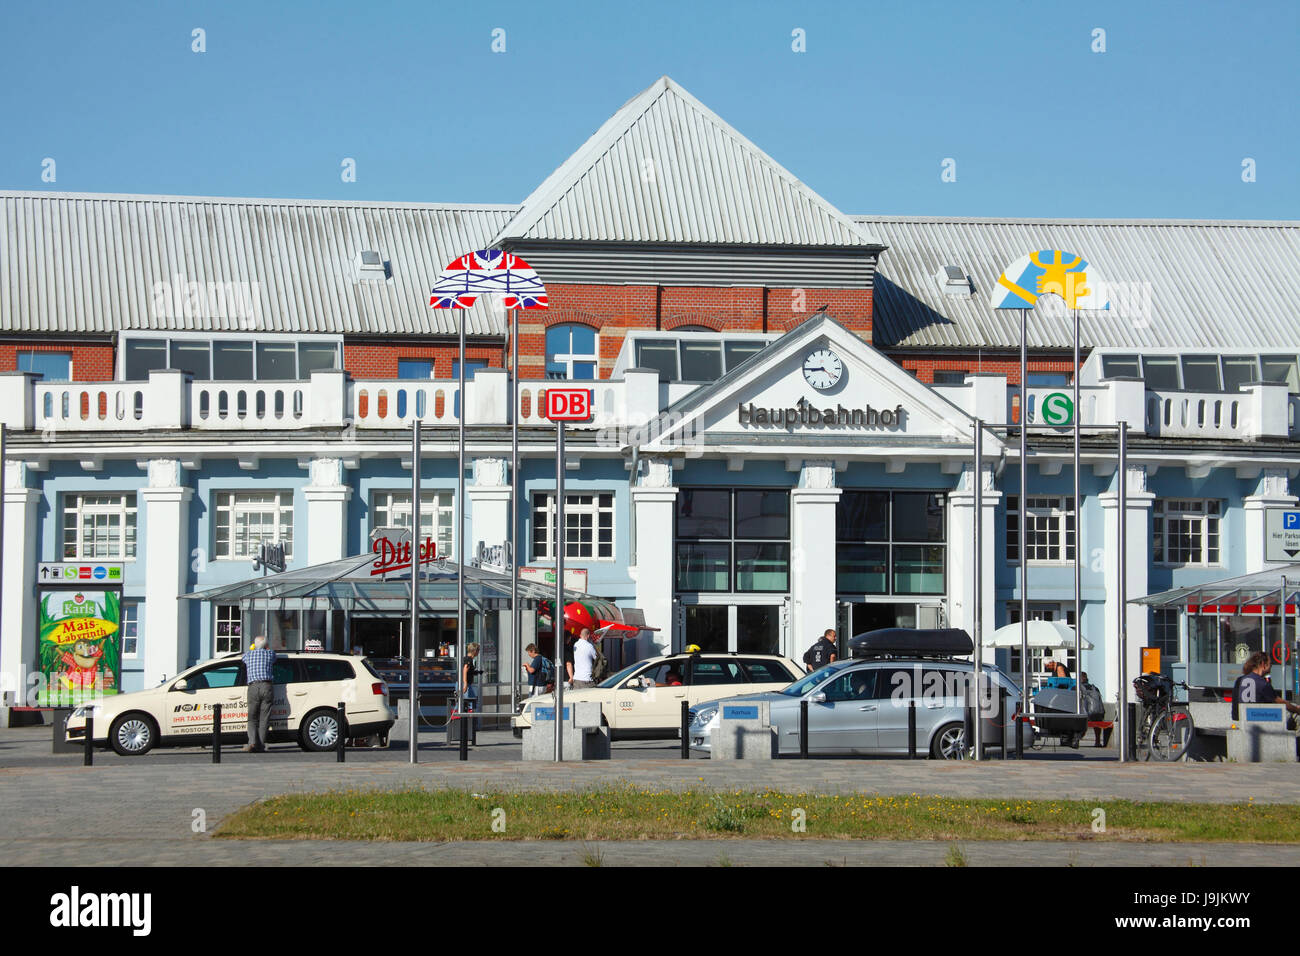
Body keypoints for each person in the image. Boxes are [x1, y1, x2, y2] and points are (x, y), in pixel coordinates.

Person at [1231, 651, 1300, 720]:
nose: (1271, 667)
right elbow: (1281, 703)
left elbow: (1235, 703)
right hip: (1258, 718)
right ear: (1263, 664)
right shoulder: (1262, 683)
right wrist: (1296, 709)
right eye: (1270, 664)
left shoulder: (1240, 680)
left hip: (1240, 718)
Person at [242, 634, 276, 753]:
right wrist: (266, 647)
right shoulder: (270, 654)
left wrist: (253, 648)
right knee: (264, 718)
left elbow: (243, 659)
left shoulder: (248, 655)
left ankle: (252, 742)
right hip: (266, 686)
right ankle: (260, 745)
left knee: (252, 718)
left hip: (253, 686)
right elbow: (273, 656)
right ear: (266, 645)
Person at [461, 643, 481, 714]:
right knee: (469, 704)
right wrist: (465, 683)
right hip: (466, 685)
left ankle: (470, 721)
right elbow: (465, 670)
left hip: (467, 684)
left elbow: (468, 671)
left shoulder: (466, 658)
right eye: (478, 650)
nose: (478, 652)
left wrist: (477, 672)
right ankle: (467, 722)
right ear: (474, 651)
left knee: (472, 702)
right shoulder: (469, 659)